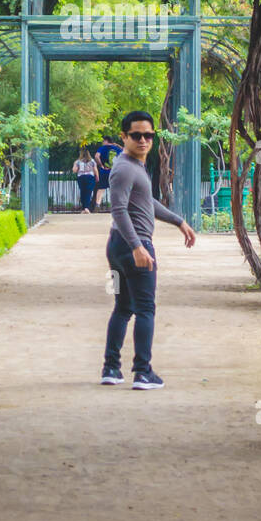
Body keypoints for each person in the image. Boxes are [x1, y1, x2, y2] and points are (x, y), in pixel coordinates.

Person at [101, 110, 196, 389]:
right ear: (124, 136)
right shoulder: (124, 168)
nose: (143, 140)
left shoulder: (134, 166)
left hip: (119, 247)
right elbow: (118, 210)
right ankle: (143, 372)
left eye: (148, 135)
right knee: (145, 308)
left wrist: (178, 221)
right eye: (136, 135)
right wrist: (138, 247)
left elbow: (147, 203)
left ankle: (111, 369)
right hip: (131, 246)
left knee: (123, 307)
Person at [93, 133, 122, 211]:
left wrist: (100, 164)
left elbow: (96, 156)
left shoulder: (102, 148)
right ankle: (115, 206)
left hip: (104, 171)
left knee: (101, 188)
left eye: (103, 141)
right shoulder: (118, 149)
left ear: (106, 141)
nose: (102, 143)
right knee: (114, 189)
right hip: (115, 171)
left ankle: (97, 205)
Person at [72, 148, 98, 213]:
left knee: (82, 192)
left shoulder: (78, 161)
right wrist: (97, 177)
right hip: (90, 177)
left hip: (81, 177)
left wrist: (75, 165)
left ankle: (84, 208)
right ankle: (86, 208)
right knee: (88, 193)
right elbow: (95, 170)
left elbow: (74, 170)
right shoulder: (92, 161)